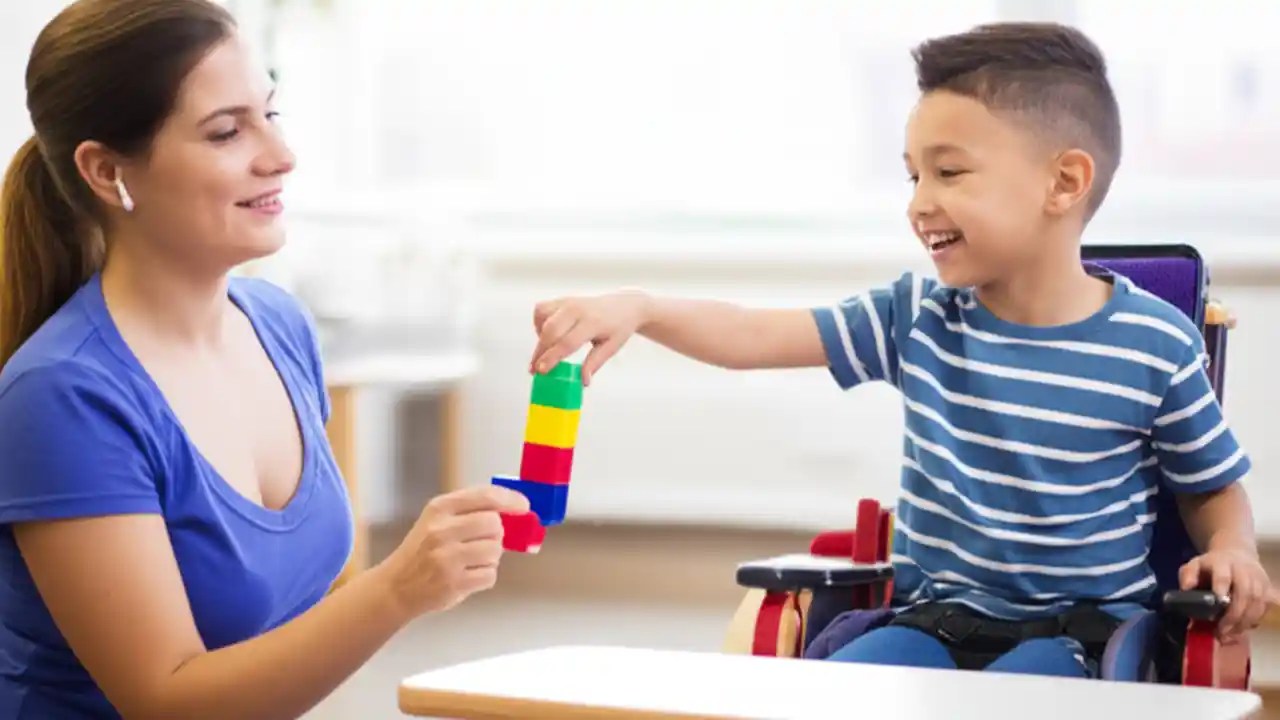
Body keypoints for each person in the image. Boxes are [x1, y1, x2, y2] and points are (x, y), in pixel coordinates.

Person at [528, 22, 1273, 678]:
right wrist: (642, 306)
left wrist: (1234, 548)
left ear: (1064, 182)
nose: (918, 201)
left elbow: (1207, 484)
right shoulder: (916, 316)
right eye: (913, 174)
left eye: (949, 172)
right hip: (930, 621)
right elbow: (752, 334)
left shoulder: (1155, 342)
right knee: (839, 690)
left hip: (1079, 635)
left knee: (1023, 693)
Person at [0, 1, 529, 717]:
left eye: (270, 114)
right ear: (104, 170)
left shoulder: (279, 326)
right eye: (226, 131)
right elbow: (167, 702)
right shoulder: (62, 396)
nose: (280, 157)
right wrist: (397, 587)